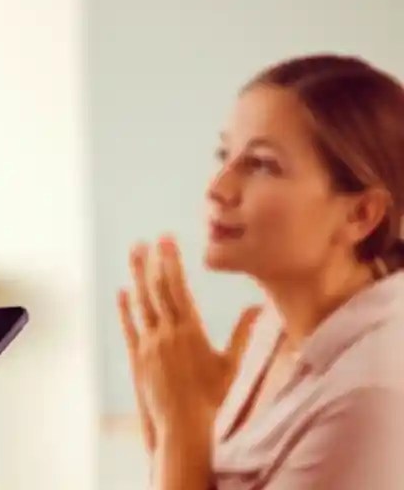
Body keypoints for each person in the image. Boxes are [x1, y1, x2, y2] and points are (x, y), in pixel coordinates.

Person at [117, 54, 404, 489]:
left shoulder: (371, 398)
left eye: (263, 164)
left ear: (361, 214)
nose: (218, 187)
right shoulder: (270, 330)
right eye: (224, 154)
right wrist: (171, 419)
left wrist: (180, 427)